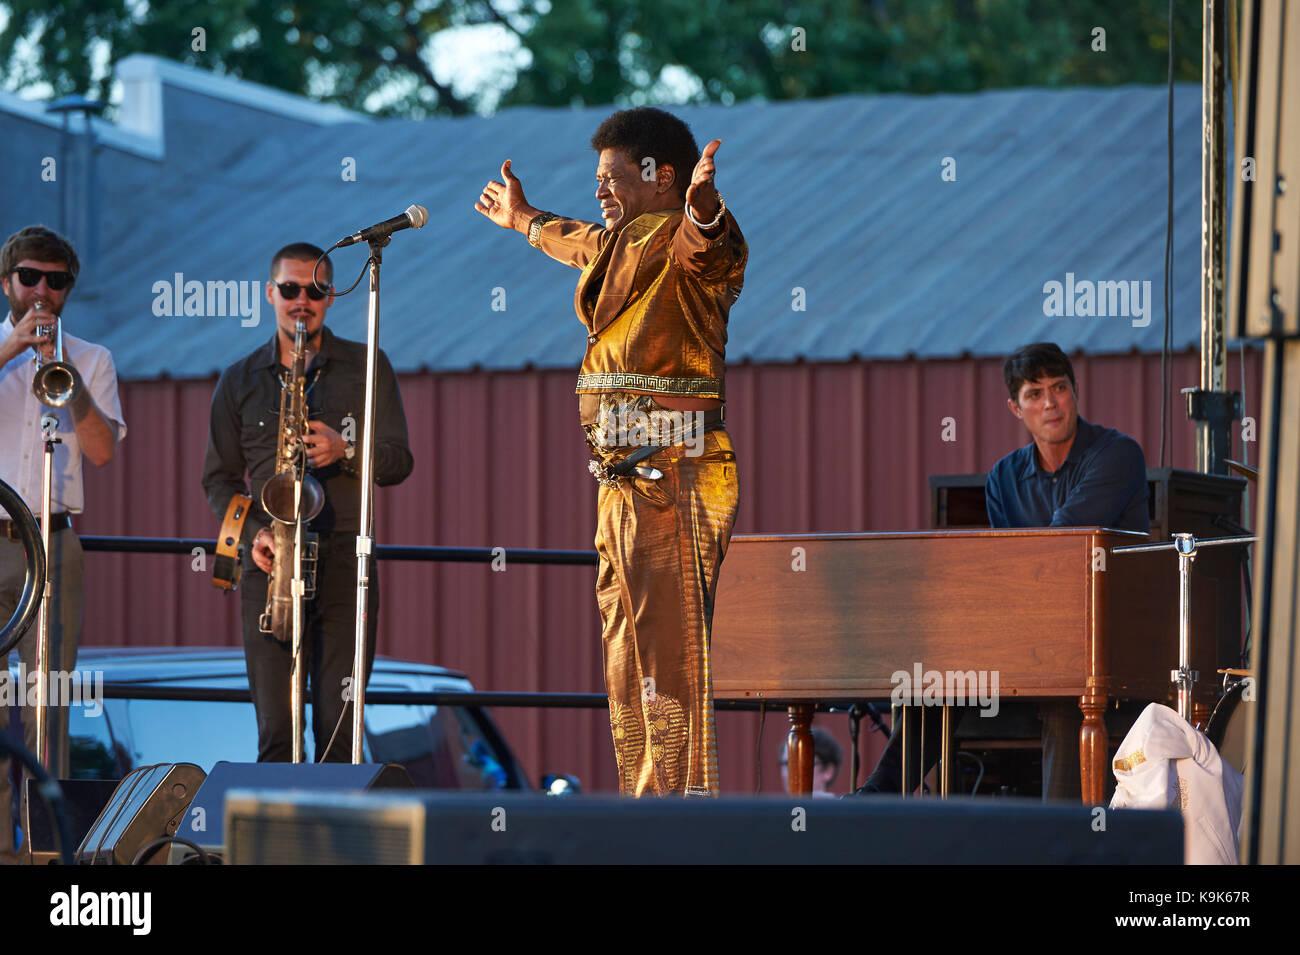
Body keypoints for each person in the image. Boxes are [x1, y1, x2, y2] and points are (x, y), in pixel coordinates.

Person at [475, 107, 747, 796]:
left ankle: (680, 823)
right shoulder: (623, 247)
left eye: (611, 177)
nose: (599, 190)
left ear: (661, 177)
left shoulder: (689, 241)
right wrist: (525, 218)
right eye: (596, 179)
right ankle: (644, 810)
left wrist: (706, 207)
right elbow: (583, 242)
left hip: (676, 471)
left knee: (669, 658)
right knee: (628, 657)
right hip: (622, 480)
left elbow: (709, 245)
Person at [855, 341, 1148, 799]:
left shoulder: (1118, 454)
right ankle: (878, 797)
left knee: (1063, 693)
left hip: (1103, 640)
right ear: (1015, 407)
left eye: (1059, 388)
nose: (1050, 403)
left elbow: (1064, 545)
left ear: (1075, 391)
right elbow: (1004, 574)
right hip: (1028, 641)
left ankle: (1061, 841)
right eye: (1035, 393)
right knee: (933, 677)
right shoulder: (1003, 478)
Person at [201, 242, 412, 763]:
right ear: (271, 293)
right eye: (290, 289)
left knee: (338, 731)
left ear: (332, 296)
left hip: (343, 563)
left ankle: (335, 844)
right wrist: (256, 535)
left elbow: (400, 462)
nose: (302, 301)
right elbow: (218, 480)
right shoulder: (240, 379)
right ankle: (273, 845)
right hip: (271, 565)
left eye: (315, 290)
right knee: (276, 730)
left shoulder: (367, 365)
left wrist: (347, 450)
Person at [0, 226, 125, 862]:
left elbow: (102, 453)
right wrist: (8, 349)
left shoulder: (92, 358)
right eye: (30, 278)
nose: (43, 292)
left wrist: (64, 370)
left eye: (57, 281)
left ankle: (45, 851)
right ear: (7, 283)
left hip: (52, 540)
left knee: (49, 700)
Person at [780, 727, 844, 798]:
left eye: (802, 764)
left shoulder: (839, 808)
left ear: (828, 771)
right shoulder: (776, 808)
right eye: (787, 764)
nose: (792, 772)